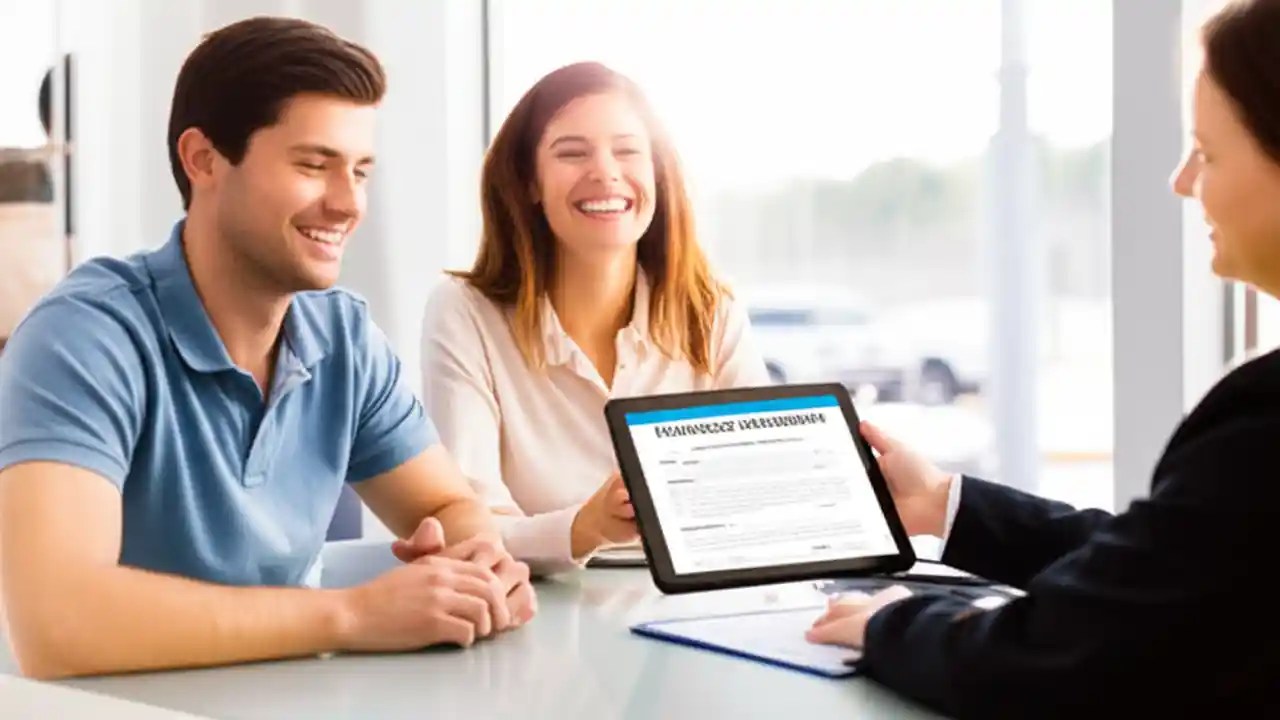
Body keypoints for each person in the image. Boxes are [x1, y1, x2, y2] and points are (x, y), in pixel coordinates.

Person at [0, 16, 535, 680]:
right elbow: (58, 624)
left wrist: (476, 561)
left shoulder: (343, 337)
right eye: (313, 165)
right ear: (203, 160)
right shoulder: (83, 337)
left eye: (360, 172)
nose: (347, 203)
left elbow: (445, 505)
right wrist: (355, 616)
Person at [803, 1, 1280, 716]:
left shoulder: (1266, 418)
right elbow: (1172, 569)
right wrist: (943, 503)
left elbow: (1067, 656)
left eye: (1207, 153)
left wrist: (890, 623)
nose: (1182, 181)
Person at [420, 61, 770, 574]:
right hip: (535, 608)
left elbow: (763, 495)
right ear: (529, 181)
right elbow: (467, 526)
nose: (605, 172)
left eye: (627, 151)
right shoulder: (465, 312)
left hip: (700, 600)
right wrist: (586, 526)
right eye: (572, 153)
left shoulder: (711, 311)